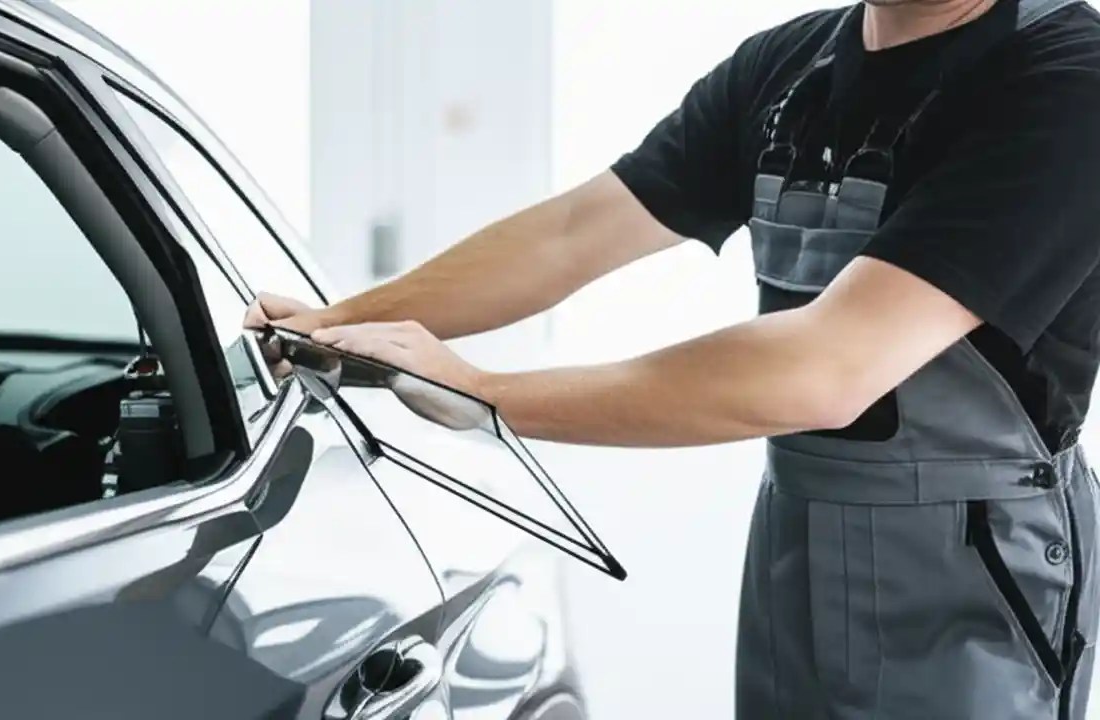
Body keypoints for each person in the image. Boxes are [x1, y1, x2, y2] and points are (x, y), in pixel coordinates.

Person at [244, 0, 1100, 716]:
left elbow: (828, 368)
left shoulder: (1063, 80)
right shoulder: (786, 69)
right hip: (797, 538)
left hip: (974, 562)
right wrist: (343, 321)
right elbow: (575, 233)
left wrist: (486, 395)